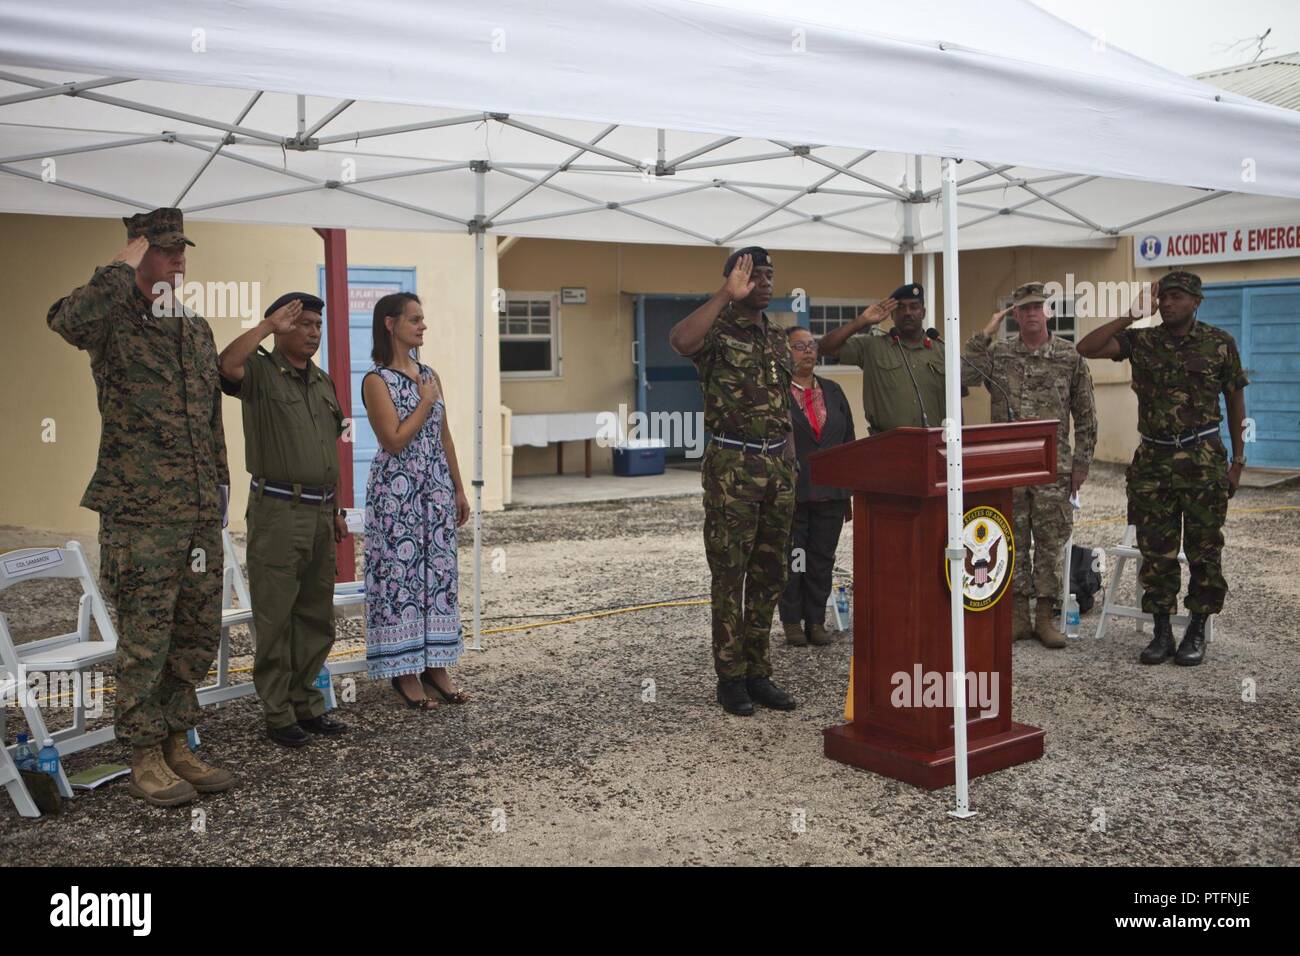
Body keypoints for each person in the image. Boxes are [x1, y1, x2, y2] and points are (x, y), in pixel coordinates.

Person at [47, 208, 233, 807]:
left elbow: (211, 420)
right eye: (164, 249)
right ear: (138, 252)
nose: (178, 259)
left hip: (199, 512)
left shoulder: (195, 329)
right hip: (141, 511)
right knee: (145, 636)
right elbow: (67, 321)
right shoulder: (112, 321)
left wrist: (221, 491)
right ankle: (144, 754)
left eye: (183, 249)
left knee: (193, 632)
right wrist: (119, 266)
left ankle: (179, 739)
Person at [1077, 271, 1248, 666]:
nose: (1168, 304)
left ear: (1196, 302)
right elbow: (1087, 347)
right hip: (1153, 462)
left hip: (1203, 459)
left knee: (1204, 549)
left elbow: (1237, 404)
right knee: (1156, 552)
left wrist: (1238, 461)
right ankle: (1161, 631)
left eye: (1177, 297)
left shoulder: (1219, 343)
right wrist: (1130, 315)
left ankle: (1196, 630)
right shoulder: (1142, 340)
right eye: (1163, 297)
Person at [668, 247, 798, 717]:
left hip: (778, 470)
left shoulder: (778, 338)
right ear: (731, 280)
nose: (762, 282)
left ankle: (759, 670)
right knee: (730, 575)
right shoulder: (717, 331)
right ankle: (730, 678)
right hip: (734, 469)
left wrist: (792, 465)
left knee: (770, 574)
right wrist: (725, 295)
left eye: (768, 275)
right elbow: (680, 341)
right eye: (752, 275)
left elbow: (784, 409)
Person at [218, 292, 350, 747]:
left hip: (318, 511)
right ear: (281, 326)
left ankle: (307, 704)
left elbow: (328, 451)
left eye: (317, 324)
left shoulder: (322, 382)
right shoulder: (260, 372)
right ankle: (277, 715)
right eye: (303, 324)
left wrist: (334, 509)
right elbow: (225, 365)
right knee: (276, 616)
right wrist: (266, 326)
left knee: (315, 616)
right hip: (278, 510)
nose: (313, 332)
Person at [964, 282, 1097, 648]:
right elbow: (963, 377)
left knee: (1051, 540)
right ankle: (1018, 616)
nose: (1032, 313)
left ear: (1047, 312)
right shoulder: (1001, 355)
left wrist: (1081, 464)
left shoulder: (1069, 357)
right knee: (1012, 538)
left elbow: (1086, 414)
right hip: (1008, 463)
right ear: (1016, 316)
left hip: (1054, 465)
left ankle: (1044, 617)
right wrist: (984, 335)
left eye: (1038, 306)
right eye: (1024, 309)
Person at [361, 292, 470, 710]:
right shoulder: (376, 381)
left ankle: (436, 665)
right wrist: (424, 403)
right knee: (401, 578)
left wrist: (458, 488)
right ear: (390, 324)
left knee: (438, 578)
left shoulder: (430, 374)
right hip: (397, 494)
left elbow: (444, 435)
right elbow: (393, 439)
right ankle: (405, 673)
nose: (422, 326)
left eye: (423, 319)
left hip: (435, 489)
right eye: (414, 319)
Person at [779, 326, 855, 648]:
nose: (808, 351)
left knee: (822, 559)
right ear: (784, 353)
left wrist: (849, 491)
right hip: (792, 494)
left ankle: (816, 620)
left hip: (830, 494)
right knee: (794, 557)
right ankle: (793, 622)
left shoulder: (834, 391)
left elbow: (848, 441)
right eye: (799, 346)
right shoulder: (776, 392)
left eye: (811, 345)